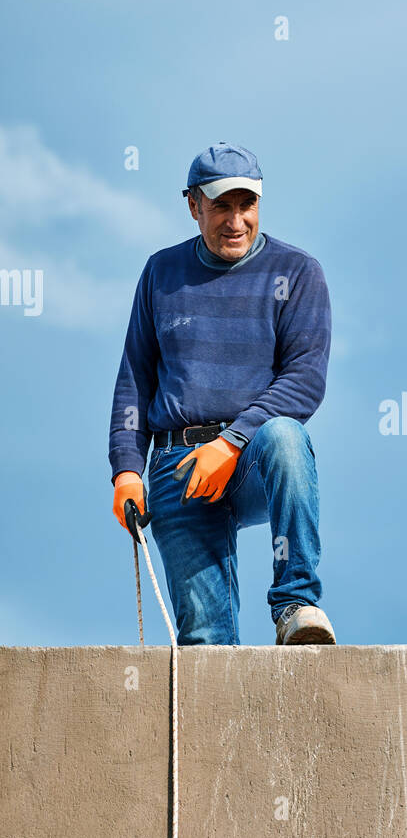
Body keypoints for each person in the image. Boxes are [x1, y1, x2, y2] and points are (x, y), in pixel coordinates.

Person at [109, 142, 336, 646]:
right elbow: (135, 378)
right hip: (175, 467)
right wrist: (126, 468)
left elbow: (304, 381)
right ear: (193, 206)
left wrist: (231, 442)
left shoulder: (298, 272)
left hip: (251, 454)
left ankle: (296, 603)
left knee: (285, 437)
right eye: (221, 206)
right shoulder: (160, 274)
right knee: (206, 646)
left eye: (247, 205)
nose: (236, 221)